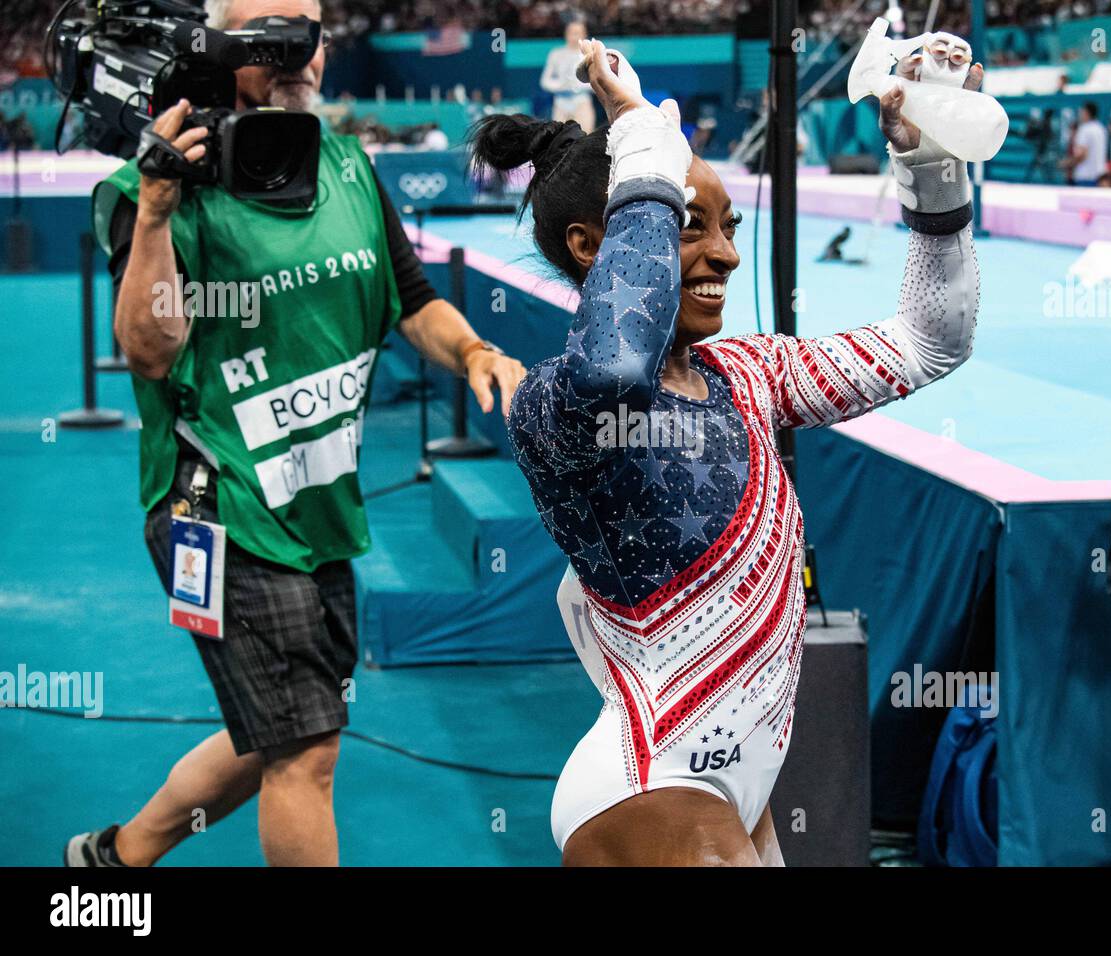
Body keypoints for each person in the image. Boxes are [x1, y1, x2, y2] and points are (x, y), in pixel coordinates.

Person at [474, 36, 981, 865]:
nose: (728, 253)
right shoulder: (554, 403)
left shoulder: (752, 376)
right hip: (648, 782)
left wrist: (933, 174)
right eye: (687, 226)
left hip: (743, 794)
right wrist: (639, 136)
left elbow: (932, 341)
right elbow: (616, 359)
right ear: (593, 246)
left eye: (729, 226)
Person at [64, 0, 526, 868]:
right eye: (265, 33)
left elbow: (411, 297)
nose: (295, 53)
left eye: (308, 32)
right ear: (212, 52)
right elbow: (151, 352)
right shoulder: (154, 191)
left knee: (279, 727)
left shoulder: (349, 165)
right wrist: (161, 209)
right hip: (216, 501)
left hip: (316, 505)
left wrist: (472, 350)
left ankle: (118, 857)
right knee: (306, 749)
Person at [540, 20, 596, 133]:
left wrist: (580, 85)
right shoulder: (556, 54)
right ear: (566, 34)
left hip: (582, 101)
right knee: (559, 140)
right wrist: (561, 86)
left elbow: (597, 80)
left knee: (585, 136)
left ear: (584, 34)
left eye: (578, 33)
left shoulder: (590, 54)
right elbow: (545, 81)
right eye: (572, 33)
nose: (575, 36)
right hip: (560, 103)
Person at [1064, 101, 1107, 186]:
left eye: (1081, 112)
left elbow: (1081, 155)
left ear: (1086, 112)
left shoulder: (1085, 129)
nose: (1080, 114)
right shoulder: (1101, 129)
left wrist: (1066, 163)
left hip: (1085, 176)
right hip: (1099, 176)